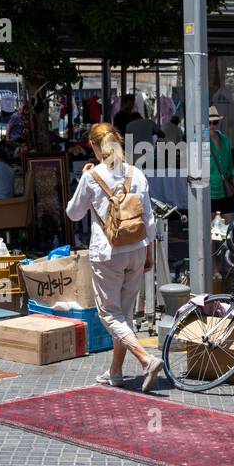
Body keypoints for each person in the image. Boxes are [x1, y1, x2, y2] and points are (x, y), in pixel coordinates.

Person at [65, 123, 163, 391]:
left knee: (109, 313)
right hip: (137, 250)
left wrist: (82, 179)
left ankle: (145, 359)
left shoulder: (92, 176)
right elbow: (149, 221)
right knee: (125, 313)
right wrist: (148, 254)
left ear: (96, 147)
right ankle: (116, 372)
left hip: (107, 253)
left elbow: (73, 213)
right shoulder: (136, 174)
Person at [206, 107, 234, 215]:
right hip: (209, 190)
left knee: (229, 225)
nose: (211, 126)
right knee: (208, 228)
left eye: (215, 122)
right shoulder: (198, 140)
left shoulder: (224, 139)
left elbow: (230, 165)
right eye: (208, 123)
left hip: (225, 188)